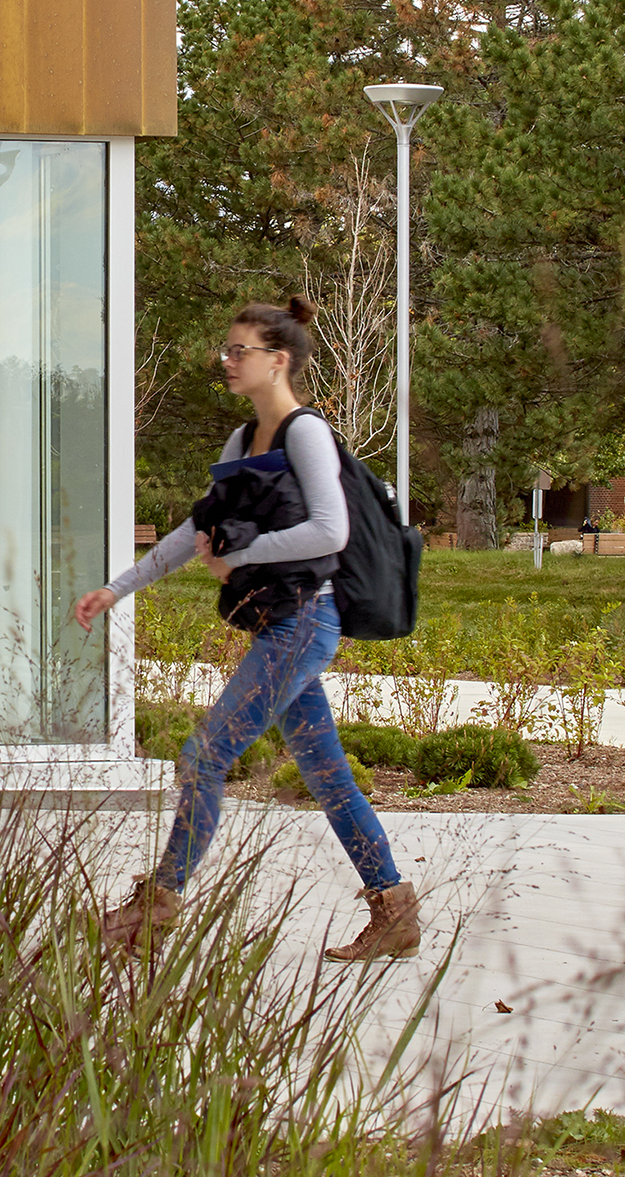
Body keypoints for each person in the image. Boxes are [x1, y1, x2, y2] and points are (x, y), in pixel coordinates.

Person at [73, 297, 417, 964]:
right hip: (280, 623)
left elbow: (330, 531)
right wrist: (118, 587)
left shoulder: (304, 433)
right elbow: (196, 531)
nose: (227, 361)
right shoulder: (243, 440)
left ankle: (156, 908)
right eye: (226, 350)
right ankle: (394, 909)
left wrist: (243, 556)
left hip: (306, 620)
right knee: (327, 775)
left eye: (240, 351)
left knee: (205, 755)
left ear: (278, 360)